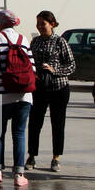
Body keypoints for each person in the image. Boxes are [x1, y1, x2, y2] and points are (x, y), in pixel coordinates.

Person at [0, 9, 35, 187]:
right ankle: (19, 175)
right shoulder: (24, 39)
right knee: (19, 133)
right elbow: (33, 68)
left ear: (0, 23)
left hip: (3, 93)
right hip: (25, 95)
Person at [27, 10, 75, 172]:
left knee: (58, 123)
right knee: (34, 122)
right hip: (39, 88)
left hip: (58, 88)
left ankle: (56, 157)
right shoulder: (35, 42)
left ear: (52, 24)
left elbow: (71, 65)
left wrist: (55, 70)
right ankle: (32, 155)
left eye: (43, 23)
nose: (40, 27)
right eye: (38, 23)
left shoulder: (60, 42)